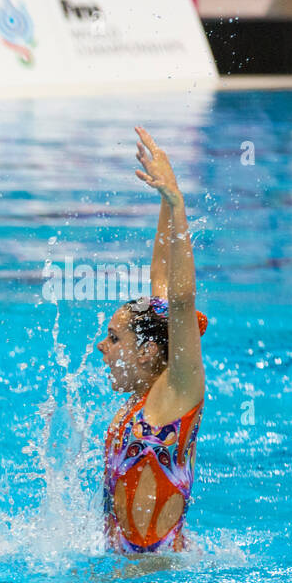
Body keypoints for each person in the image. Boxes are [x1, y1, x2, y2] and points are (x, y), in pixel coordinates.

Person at [96, 128, 207, 553]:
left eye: (113, 338)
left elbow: (180, 299)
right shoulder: (144, 399)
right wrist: (165, 198)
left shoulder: (178, 392)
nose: (101, 348)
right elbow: (161, 279)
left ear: (148, 352)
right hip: (129, 578)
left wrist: (178, 203)